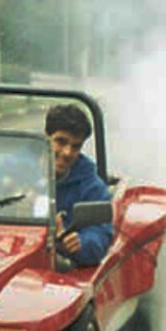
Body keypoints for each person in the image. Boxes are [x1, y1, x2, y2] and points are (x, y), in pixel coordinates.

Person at [46, 104, 113, 267]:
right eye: (61, 142)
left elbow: (101, 234)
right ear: (46, 137)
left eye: (76, 146)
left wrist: (79, 242)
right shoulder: (14, 167)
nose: (67, 152)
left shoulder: (91, 186)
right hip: (8, 252)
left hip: (59, 267)